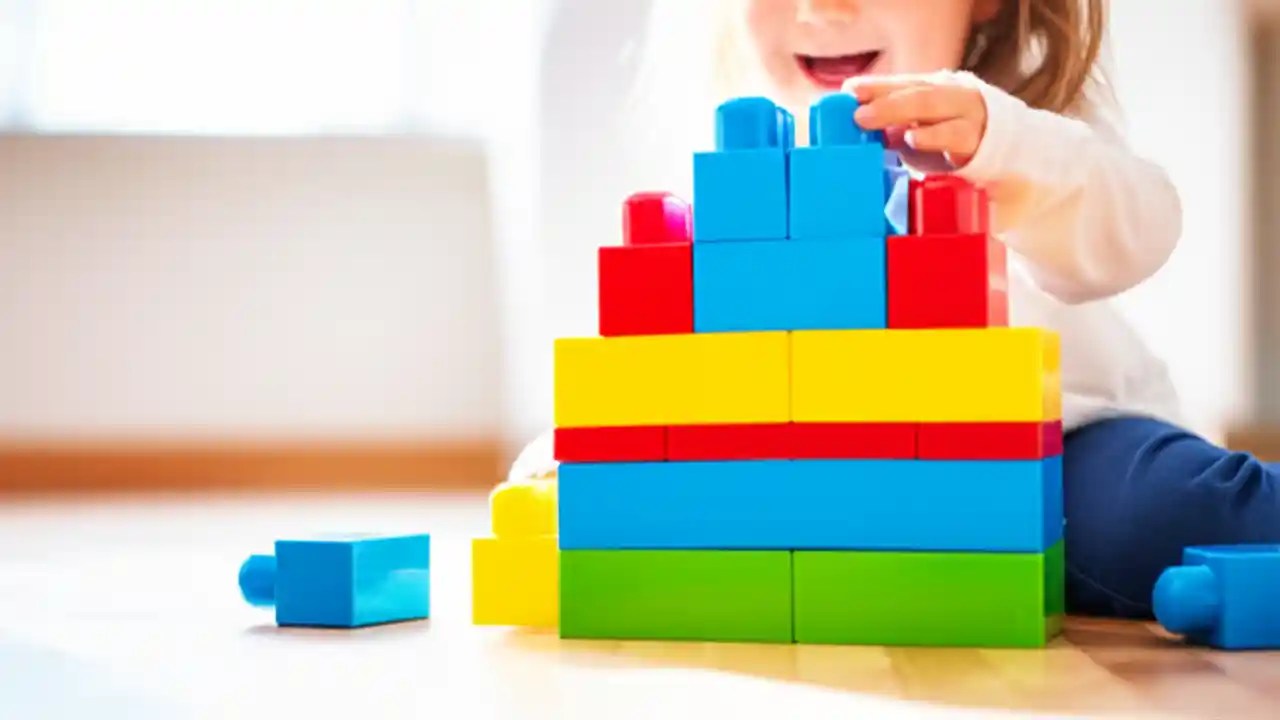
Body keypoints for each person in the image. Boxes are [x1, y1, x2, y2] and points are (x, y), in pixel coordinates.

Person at [511, 0, 1280, 619]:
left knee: (1166, 514)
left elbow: (1143, 229)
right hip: (827, 468)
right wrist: (604, 447)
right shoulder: (728, 160)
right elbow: (685, 356)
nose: (821, 10)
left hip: (1054, 441)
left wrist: (1003, 146)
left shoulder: (1022, 126)